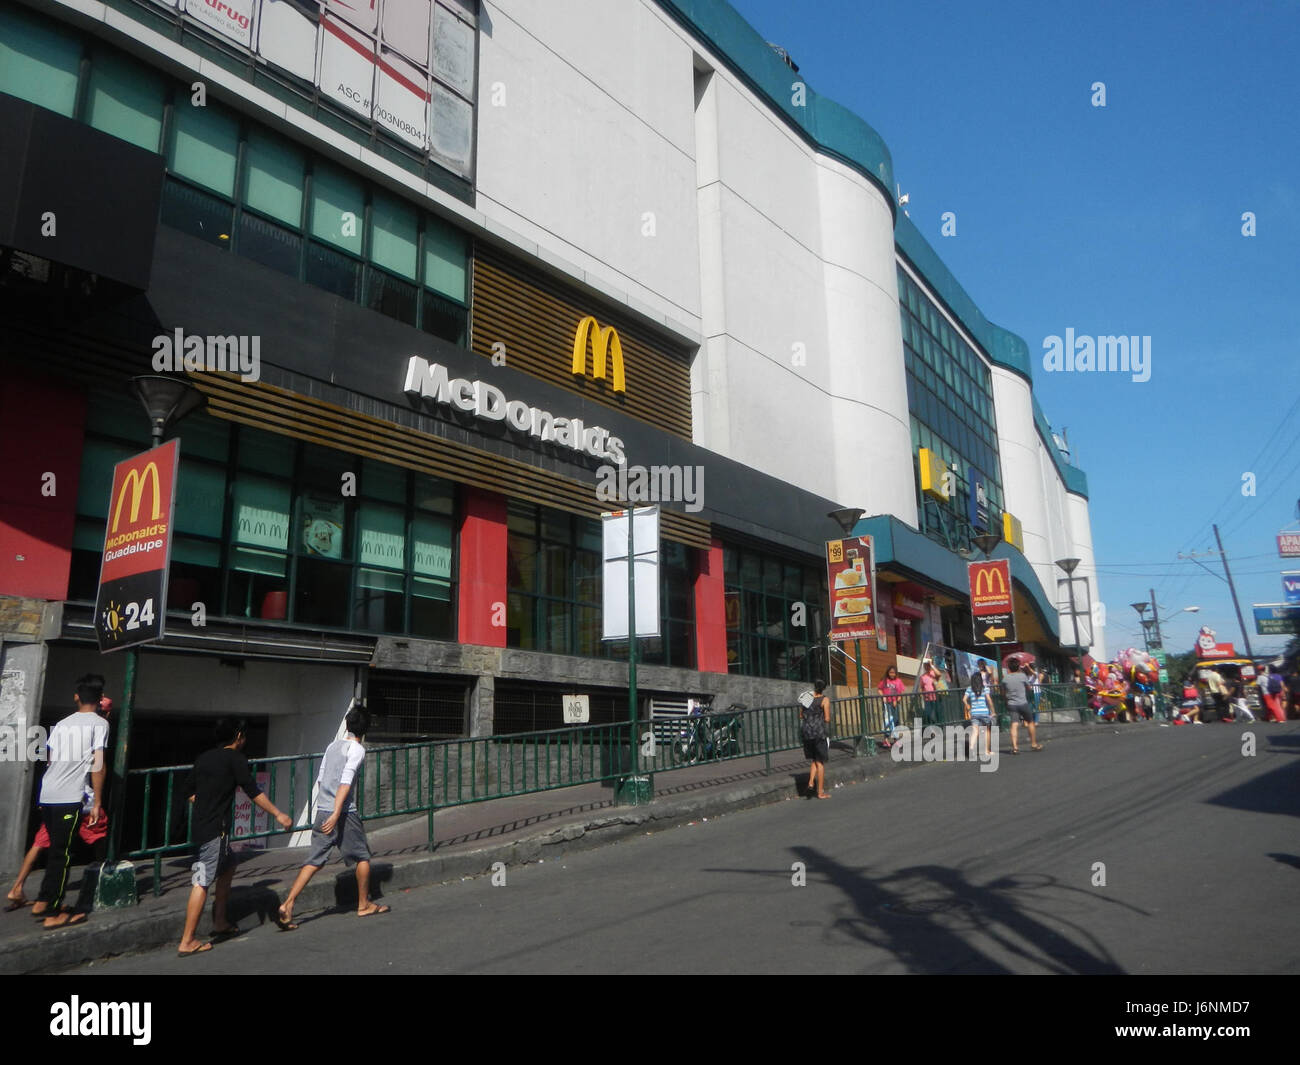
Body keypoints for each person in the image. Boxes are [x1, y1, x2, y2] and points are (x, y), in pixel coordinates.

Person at [177, 718, 292, 957]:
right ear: (238, 736)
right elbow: (252, 791)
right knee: (202, 880)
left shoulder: (204, 758)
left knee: (229, 865)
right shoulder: (236, 759)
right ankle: (187, 940)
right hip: (215, 830)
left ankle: (220, 921)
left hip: (201, 827)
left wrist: (207, 802)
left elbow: (188, 791)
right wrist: (278, 814)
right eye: (244, 735)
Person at [276, 709, 389, 929]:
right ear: (365, 729)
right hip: (343, 813)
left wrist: (327, 807)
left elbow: (321, 778)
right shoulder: (357, 750)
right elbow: (345, 781)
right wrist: (337, 812)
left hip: (322, 810)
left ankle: (288, 904)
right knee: (362, 857)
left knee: (314, 860)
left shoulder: (332, 746)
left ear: (347, 725)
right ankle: (364, 904)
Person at [30, 675, 110, 929]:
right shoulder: (99, 724)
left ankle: (43, 900)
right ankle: (53, 912)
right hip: (68, 796)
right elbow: (98, 764)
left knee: (55, 849)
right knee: (63, 854)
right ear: (100, 699)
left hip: (48, 792)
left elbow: (51, 761)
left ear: (76, 696)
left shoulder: (62, 723)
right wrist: (97, 800)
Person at [799, 679, 831, 799]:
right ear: (824, 688)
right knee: (820, 762)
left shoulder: (807, 697)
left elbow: (801, 715)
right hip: (819, 733)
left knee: (814, 759)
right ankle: (820, 792)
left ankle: (811, 782)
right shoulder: (824, 699)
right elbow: (827, 719)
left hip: (807, 732)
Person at [1002, 657, 1041, 753]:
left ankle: (1015, 747)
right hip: (1023, 703)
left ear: (1009, 667)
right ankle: (1033, 744)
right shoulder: (1022, 676)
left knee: (1014, 724)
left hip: (1011, 704)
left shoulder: (1005, 679)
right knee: (1030, 722)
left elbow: (1003, 693)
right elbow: (1029, 688)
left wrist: (1006, 699)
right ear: (1018, 667)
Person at [963, 670, 993, 758]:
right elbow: (989, 700)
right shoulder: (985, 688)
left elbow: (964, 699)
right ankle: (987, 751)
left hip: (974, 713)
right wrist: (992, 711)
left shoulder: (969, 689)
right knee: (987, 731)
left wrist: (968, 705)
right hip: (984, 712)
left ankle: (971, 747)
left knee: (975, 731)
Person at [878, 667, 905, 746]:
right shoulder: (885, 681)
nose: (892, 674)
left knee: (896, 720)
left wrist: (897, 700)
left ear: (896, 673)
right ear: (888, 673)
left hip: (894, 704)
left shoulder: (898, 681)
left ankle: (895, 739)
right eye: (890, 672)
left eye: (893, 673)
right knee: (888, 721)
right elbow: (879, 689)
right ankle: (886, 739)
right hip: (887, 704)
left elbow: (900, 692)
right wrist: (883, 697)